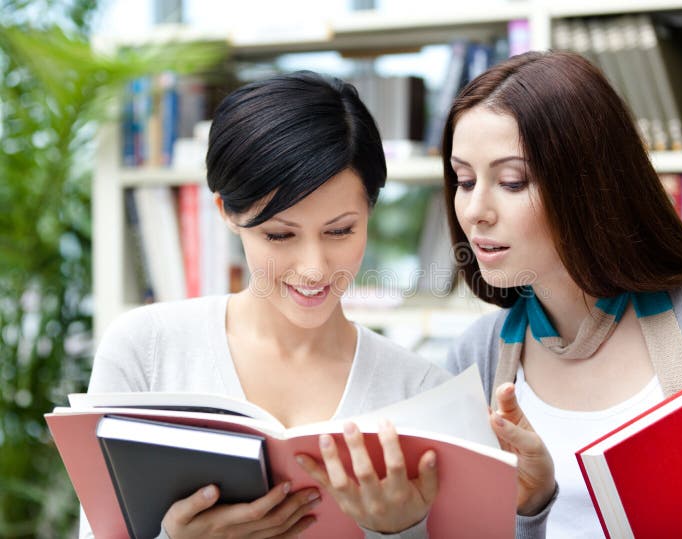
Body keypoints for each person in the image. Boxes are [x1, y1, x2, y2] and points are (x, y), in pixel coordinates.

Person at [441, 50, 682, 538]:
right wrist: (530, 511)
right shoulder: (476, 356)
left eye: (511, 181)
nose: (475, 210)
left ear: (588, 185)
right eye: (463, 179)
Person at [79, 71, 451, 539]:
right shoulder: (146, 350)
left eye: (340, 231)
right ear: (226, 214)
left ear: (369, 212)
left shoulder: (421, 392)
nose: (314, 269)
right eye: (279, 235)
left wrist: (400, 532)